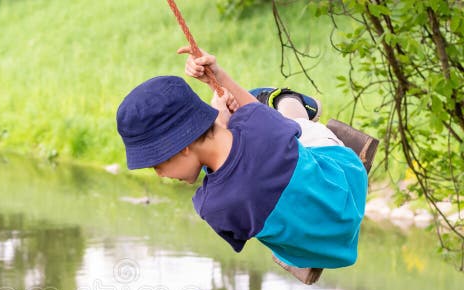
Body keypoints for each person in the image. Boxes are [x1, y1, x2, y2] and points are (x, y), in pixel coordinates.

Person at [115, 50, 368, 271]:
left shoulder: (210, 206)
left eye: (157, 163)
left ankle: (288, 102)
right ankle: (289, 99)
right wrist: (220, 90)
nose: (159, 174)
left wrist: (222, 122)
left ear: (180, 147)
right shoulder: (257, 125)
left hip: (323, 253)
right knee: (265, 104)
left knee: (230, 161)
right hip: (348, 188)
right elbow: (261, 121)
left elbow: (235, 181)